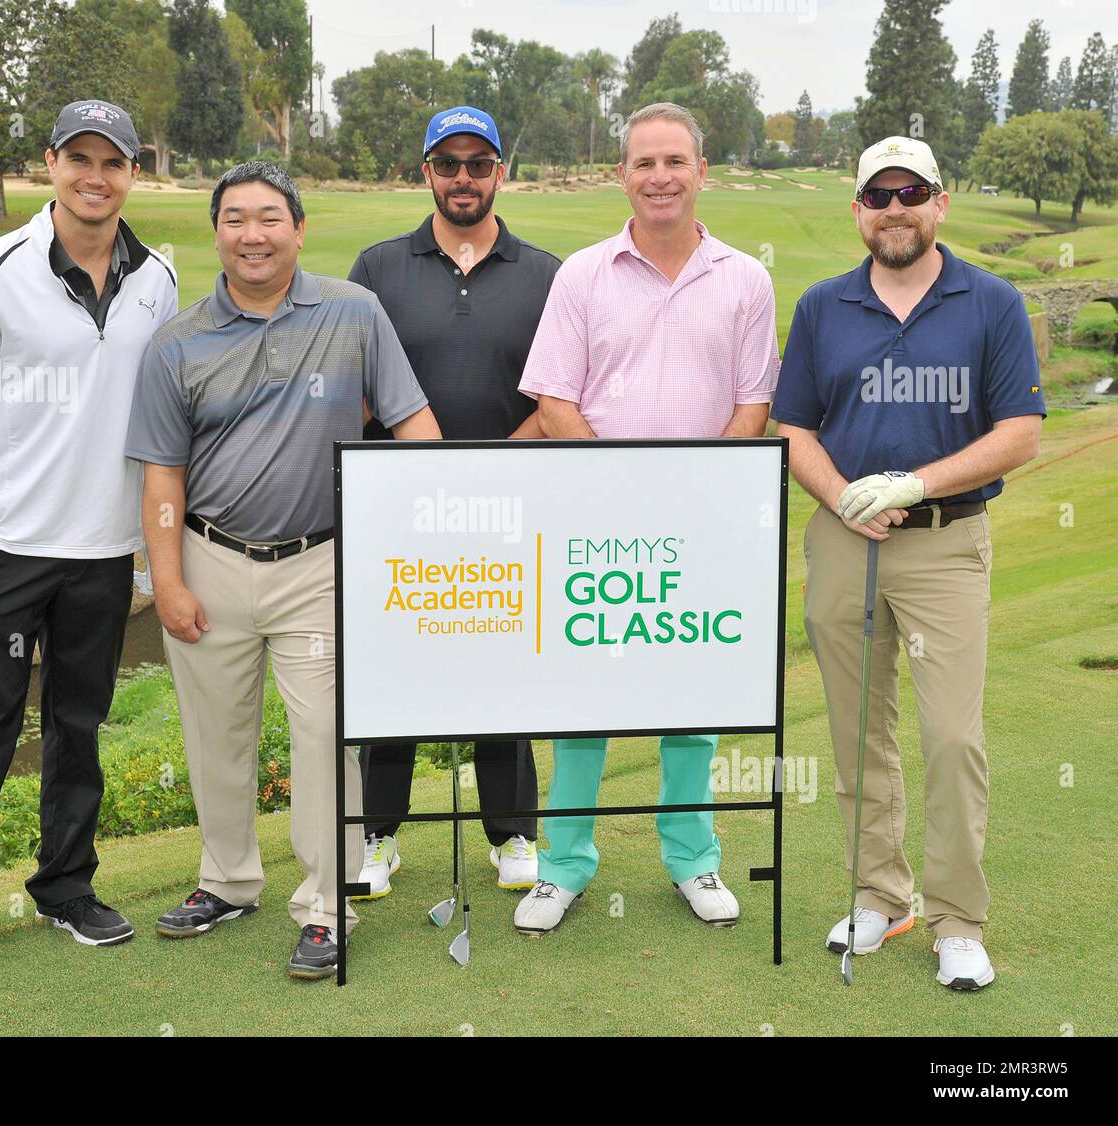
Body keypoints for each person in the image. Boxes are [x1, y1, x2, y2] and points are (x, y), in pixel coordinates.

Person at [125, 161, 441, 980]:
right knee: (216, 739)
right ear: (217, 232)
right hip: (209, 558)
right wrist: (167, 578)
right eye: (235, 219)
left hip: (320, 562)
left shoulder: (356, 312)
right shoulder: (177, 342)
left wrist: (416, 541)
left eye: (269, 218)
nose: (252, 234)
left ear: (299, 230)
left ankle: (327, 906)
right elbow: (161, 474)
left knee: (323, 740)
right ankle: (226, 882)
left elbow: (414, 428)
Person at [0, 100, 178, 985]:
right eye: (80, 158)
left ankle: (66, 885)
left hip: (102, 550)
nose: (95, 176)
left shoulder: (158, 279)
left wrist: (153, 548)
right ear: (50, 163)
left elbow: (161, 418)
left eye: (113, 161)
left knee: (79, 725)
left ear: (133, 172)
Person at [772, 136, 1044, 991]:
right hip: (845, 541)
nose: (895, 208)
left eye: (911, 192)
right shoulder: (822, 306)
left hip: (947, 542)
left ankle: (957, 918)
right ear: (858, 210)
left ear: (940, 203)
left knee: (953, 736)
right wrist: (842, 493)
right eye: (878, 195)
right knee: (857, 732)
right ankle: (880, 896)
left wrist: (915, 480)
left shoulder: (991, 301)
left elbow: (1019, 434)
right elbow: (793, 428)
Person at [513, 102, 779, 935]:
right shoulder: (583, 274)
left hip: (701, 521)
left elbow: (753, 405)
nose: (659, 176)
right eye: (643, 163)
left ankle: (693, 858)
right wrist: (618, 488)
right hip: (592, 518)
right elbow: (555, 398)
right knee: (582, 699)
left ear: (702, 171)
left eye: (674, 161)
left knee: (690, 699)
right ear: (622, 174)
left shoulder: (745, 277)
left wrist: (692, 494)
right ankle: (562, 866)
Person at [347, 106, 561, 899]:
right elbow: (356, 386)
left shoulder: (545, 272)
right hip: (398, 508)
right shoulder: (377, 267)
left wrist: (496, 473)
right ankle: (376, 836)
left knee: (499, 667)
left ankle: (510, 835)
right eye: (449, 164)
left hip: (508, 509)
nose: (463, 177)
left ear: (500, 171)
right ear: (427, 172)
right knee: (393, 669)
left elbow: (562, 392)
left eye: (479, 163)